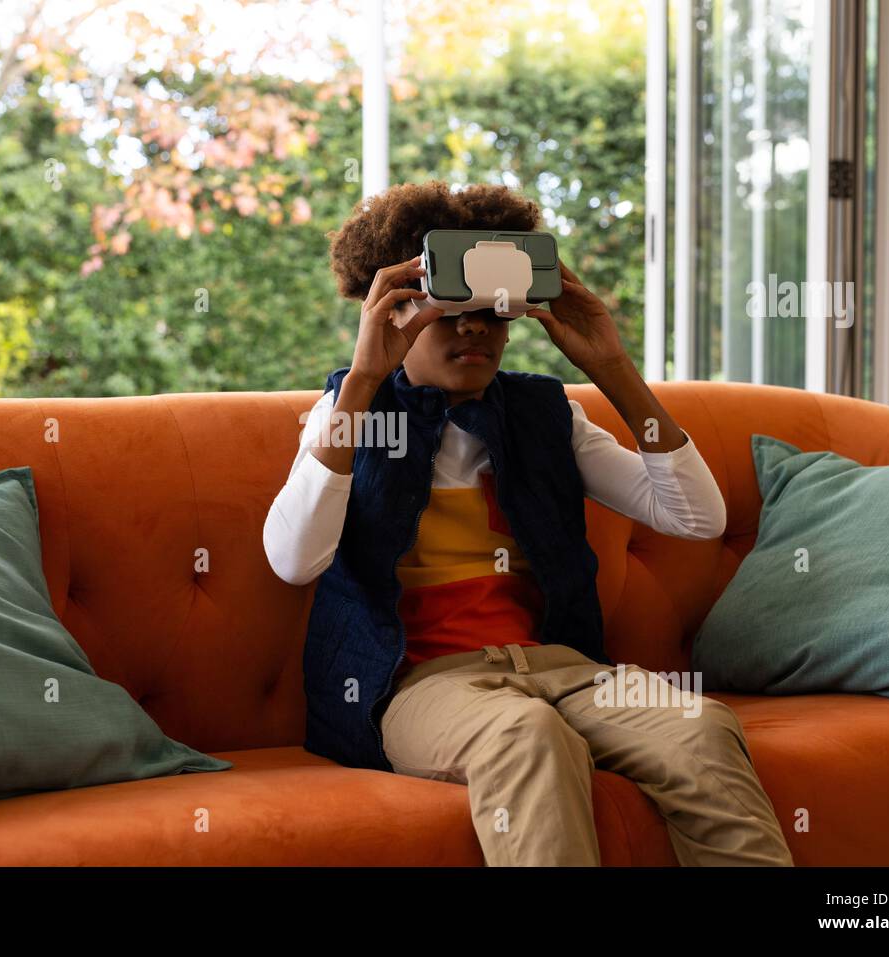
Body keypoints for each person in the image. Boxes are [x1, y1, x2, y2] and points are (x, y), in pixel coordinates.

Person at [263, 180, 793, 866]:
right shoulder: (349, 413)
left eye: (493, 312)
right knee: (527, 734)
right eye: (447, 311)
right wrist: (363, 381)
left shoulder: (548, 415)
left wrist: (610, 366)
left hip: (563, 667)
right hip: (426, 684)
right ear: (396, 311)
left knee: (699, 726)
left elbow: (695, 515)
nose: (474, 328)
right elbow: (293, 559)